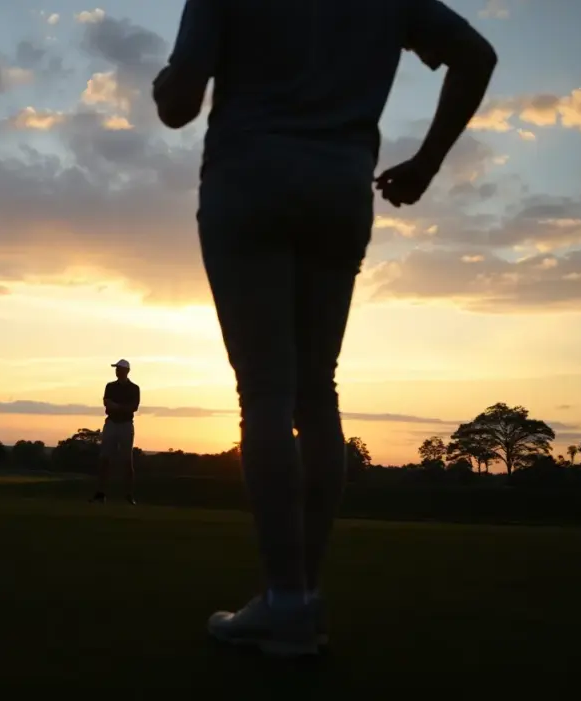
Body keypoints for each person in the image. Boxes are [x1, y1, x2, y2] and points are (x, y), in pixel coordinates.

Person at [152, 0, 497, 657]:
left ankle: (285, 603)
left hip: (248, 179)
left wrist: (170, 82)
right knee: (317, 392)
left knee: (265, 394)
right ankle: (301, 598)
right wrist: (424, 164)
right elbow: (476, 56)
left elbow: (180, 104)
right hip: (340, 189)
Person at [91, 359, 140, 505]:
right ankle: (100, 494)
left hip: (125, 425)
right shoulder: (110, 386)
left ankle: (129, 495)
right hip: (111, 423)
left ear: (126, 371)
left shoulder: (134, 388)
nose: (117, 371)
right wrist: (122, 407)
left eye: (119, 369)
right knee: (104, 459)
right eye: (116, 369)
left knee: (127, 461)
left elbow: (133, 407)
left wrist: (117, 406)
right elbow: (107, 403)